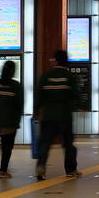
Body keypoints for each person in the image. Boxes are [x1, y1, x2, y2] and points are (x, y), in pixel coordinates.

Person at [35, 49, 80, 181]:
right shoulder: (70, 77)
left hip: (48, 115)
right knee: (68, 144)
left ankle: (41, 167)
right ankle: (71, 170)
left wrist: (36, 111)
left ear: (55, 60)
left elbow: (39, 96)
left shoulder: (46, 76)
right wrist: (72, 106)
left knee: (45, 143)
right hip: (64, 116)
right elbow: (75, 96)